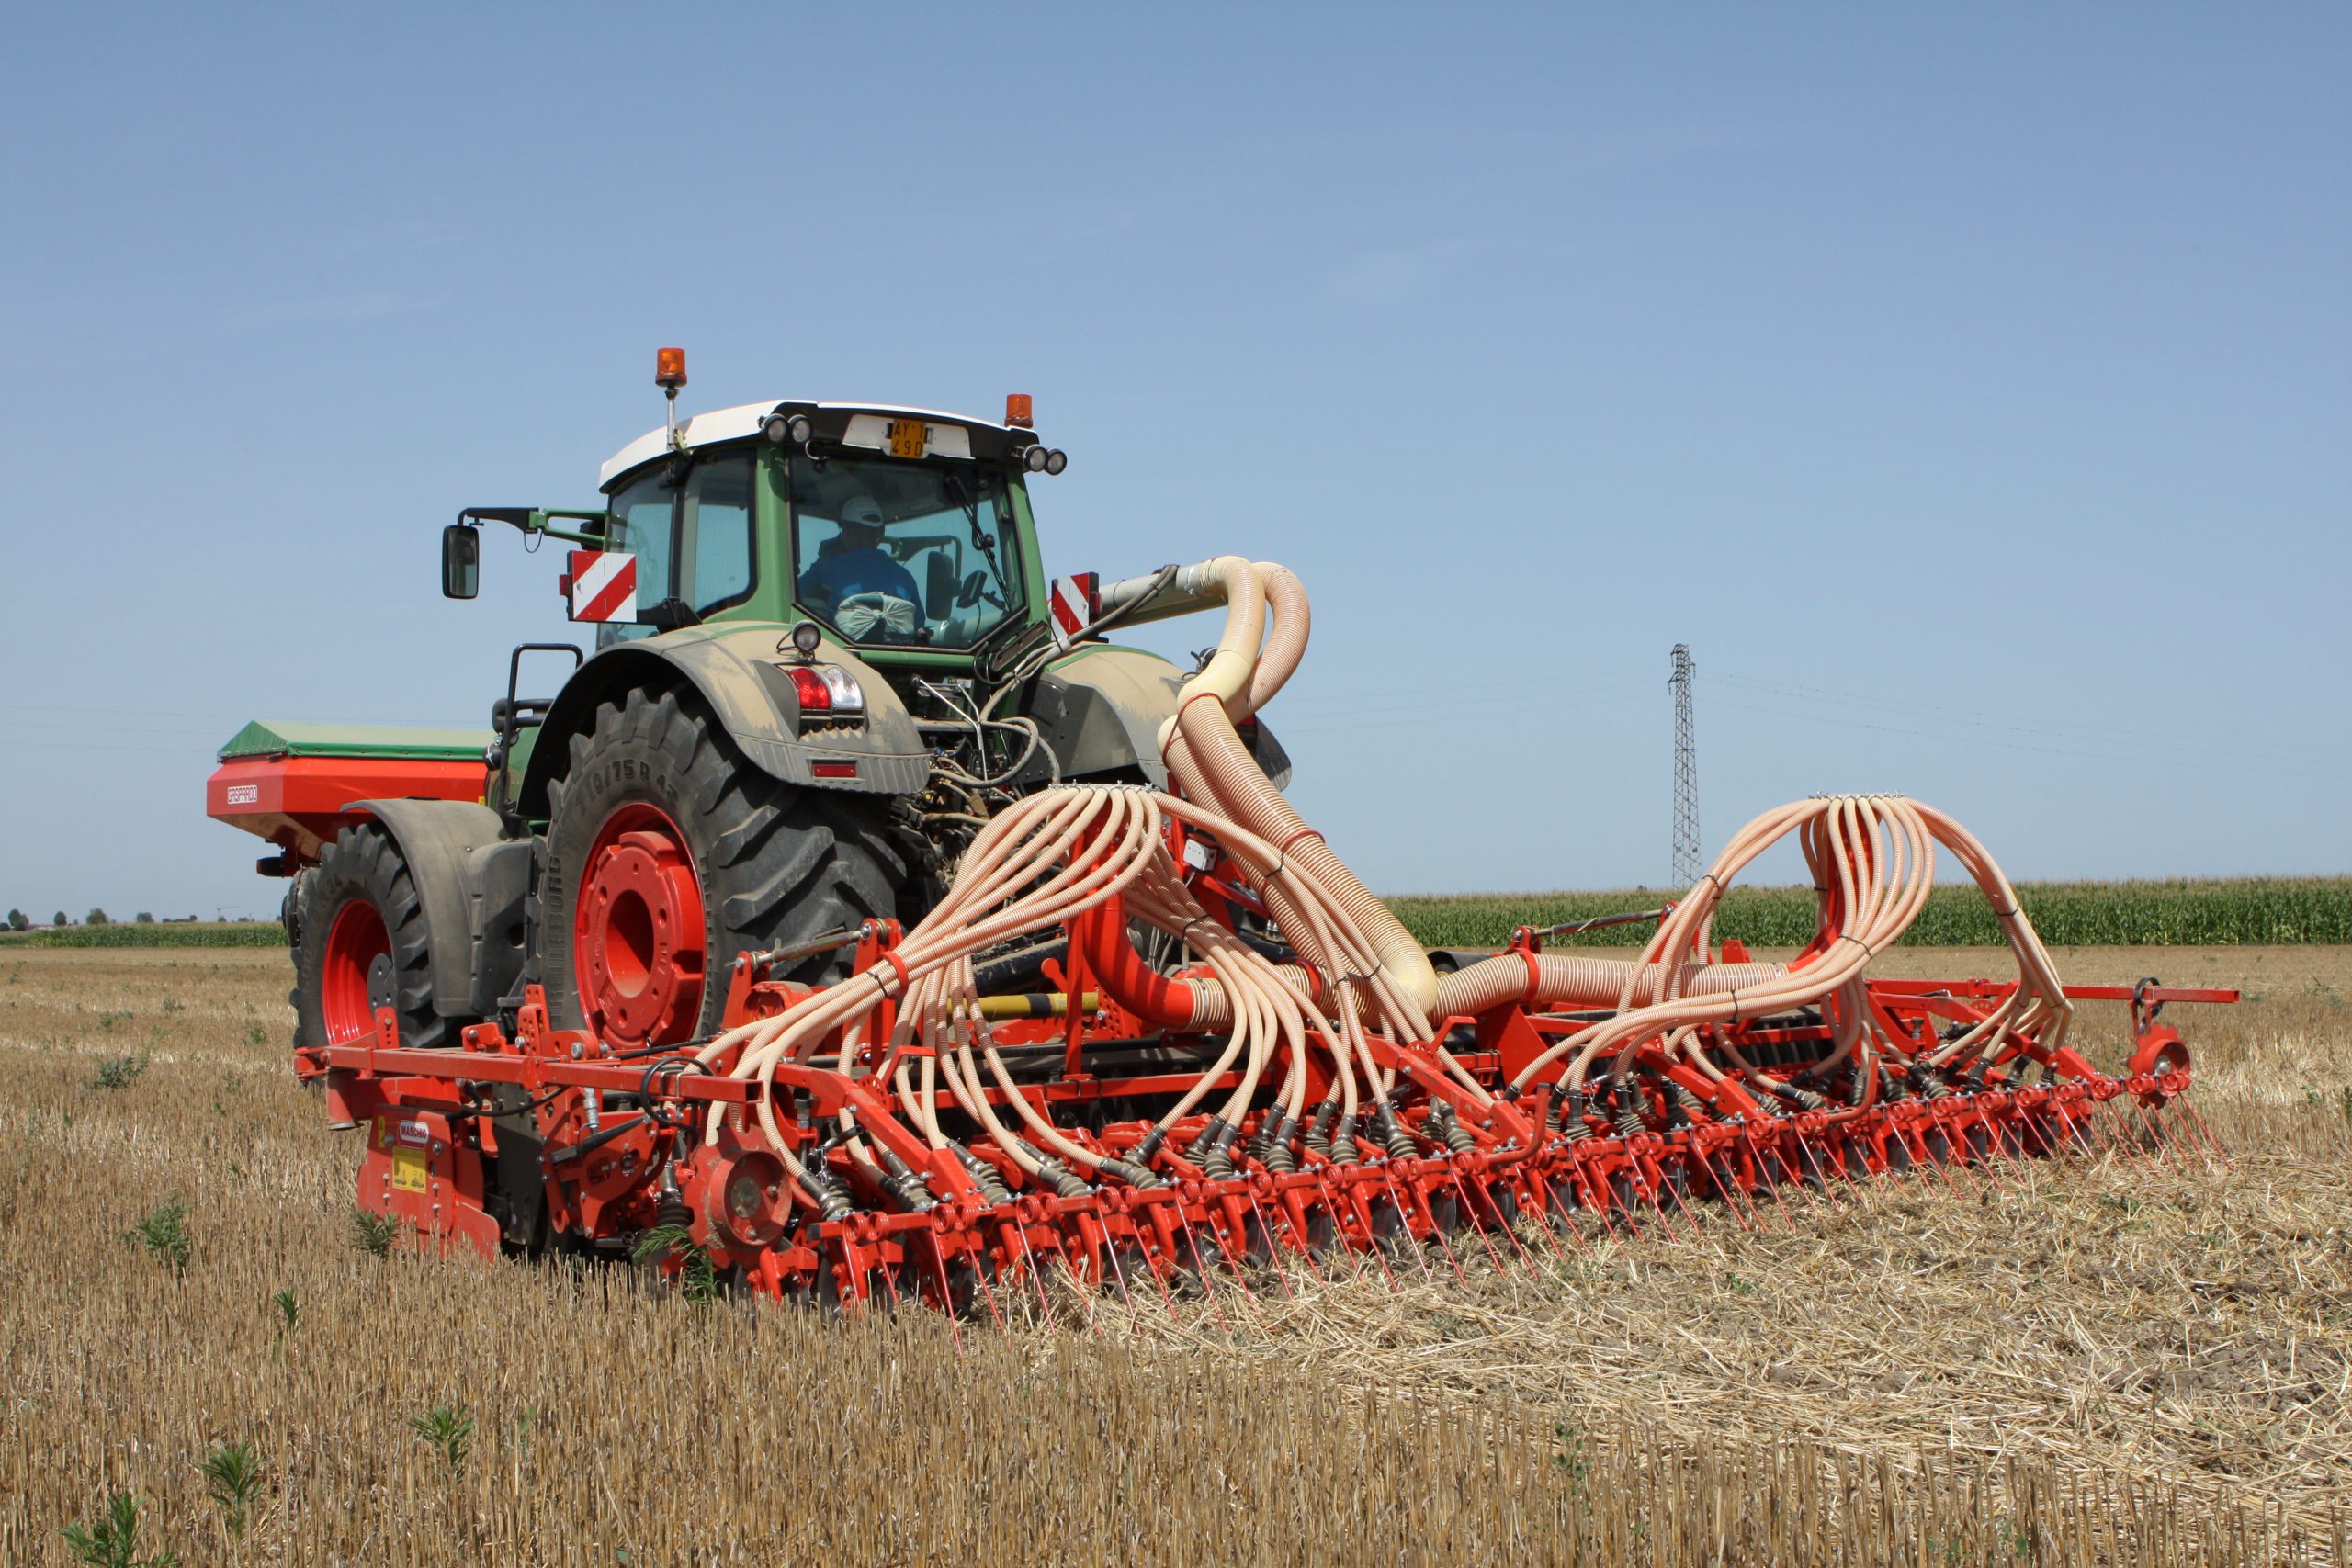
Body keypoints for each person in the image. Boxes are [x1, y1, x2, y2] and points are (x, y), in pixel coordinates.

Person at [797, 493, 922, 637]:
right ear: (880, 532)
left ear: (845, 529)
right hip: (899, 655)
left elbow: (792, 598)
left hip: (841, 652)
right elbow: (918, 623)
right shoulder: (905, 577)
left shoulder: (825, 568)